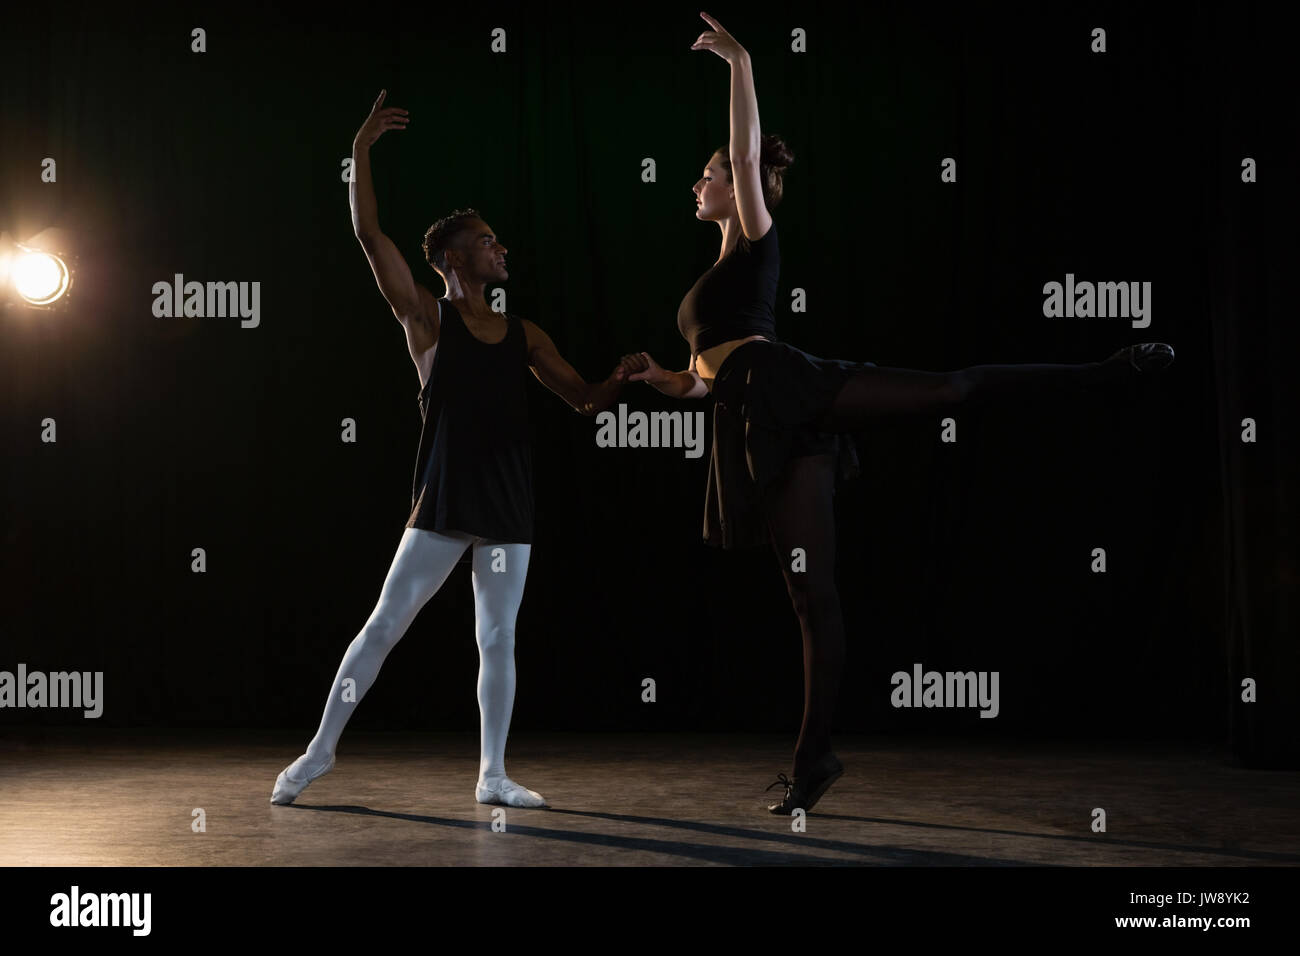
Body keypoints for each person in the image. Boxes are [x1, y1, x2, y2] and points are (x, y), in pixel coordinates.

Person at [620, 14, 1174, 815]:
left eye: (704, 176)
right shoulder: (717, 276)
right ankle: (815, 759)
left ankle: (1107, 372)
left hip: (786, 385)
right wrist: (658, 380)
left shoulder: (756, 240)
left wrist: (739, 61)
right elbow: (701, 384)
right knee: (812, 595)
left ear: (739, 189)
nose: (697, 185)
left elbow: (744, 153)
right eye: (705, 178)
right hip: (753, 420)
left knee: (951, 390)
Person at [272, 90, 630, 808]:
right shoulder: (427, 319)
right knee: (383, 626)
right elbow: (370, 235)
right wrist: (361, 151)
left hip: (506, 505)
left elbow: (585, 401)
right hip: (443, 503)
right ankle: (318, 752)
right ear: (450, 257)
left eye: (499, 240)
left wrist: (623, 378)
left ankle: (491, 774)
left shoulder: (526, 334)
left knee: (497, 639)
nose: (503, 249)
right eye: (489, 240)